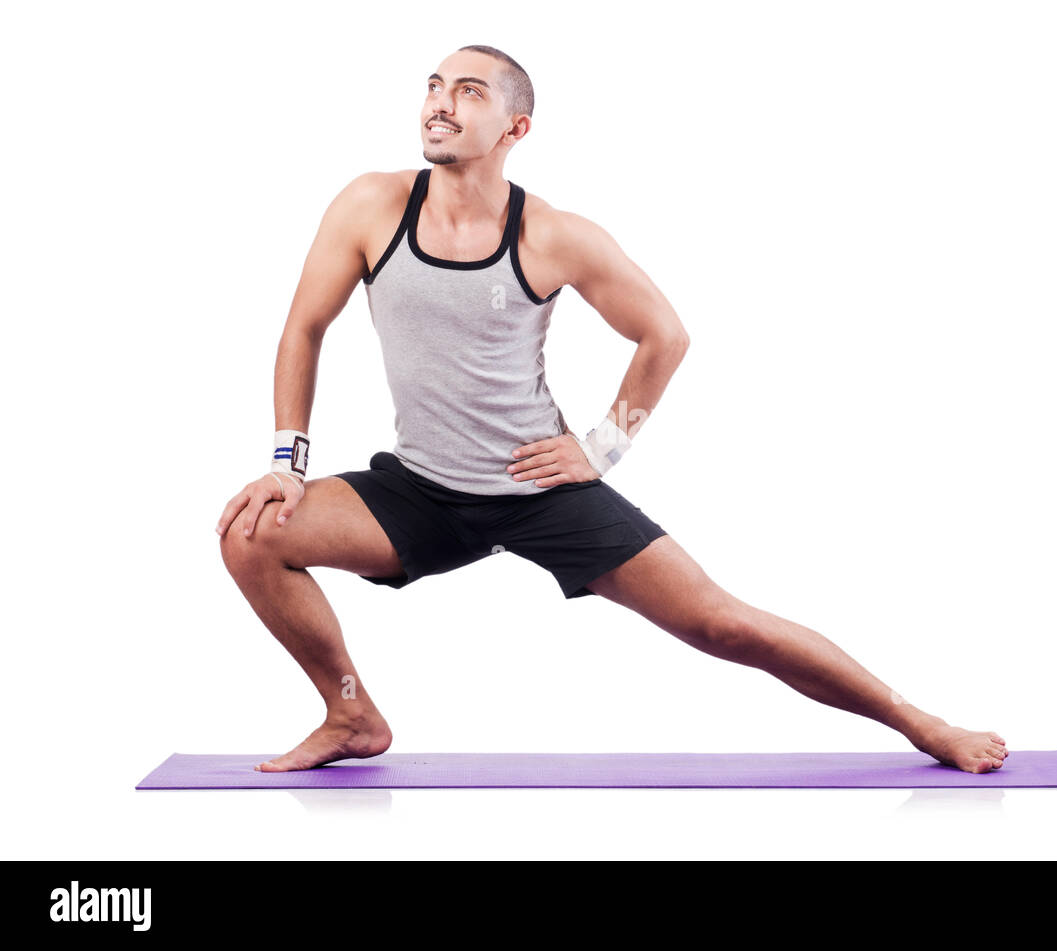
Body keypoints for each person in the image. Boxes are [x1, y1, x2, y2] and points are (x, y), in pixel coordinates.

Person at [215, 45, 1008, 775]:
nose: (439, 103)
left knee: (722, 624)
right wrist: (288, 465)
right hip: (418, 488)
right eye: (432, 86)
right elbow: (303, 329)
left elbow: (664, 333)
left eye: (467, 91)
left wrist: (601, 448)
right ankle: (350, 709)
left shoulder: (553, 234)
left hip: (540, 490)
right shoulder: (370, 205)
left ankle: (918, 721)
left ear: (515, 127)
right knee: (252, 533)